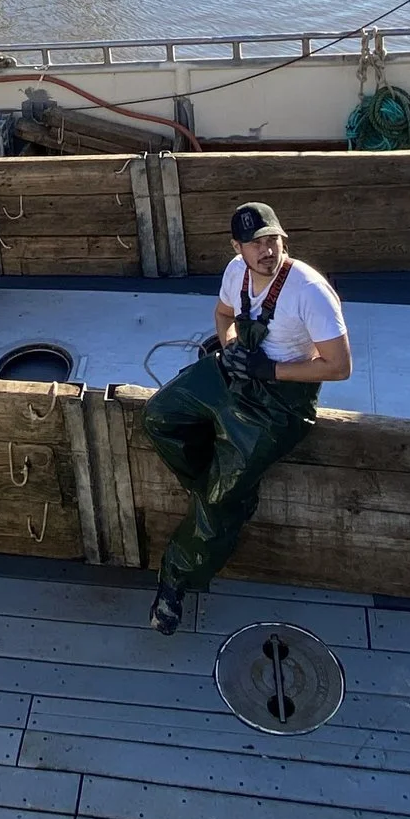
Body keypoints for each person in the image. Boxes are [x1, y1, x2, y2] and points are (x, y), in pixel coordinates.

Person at [141, 200, 351, 634]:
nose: (266, 251)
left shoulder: (309, 291)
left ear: (283, 239)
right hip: (234, 375)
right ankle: (223, 495)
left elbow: (339, 366)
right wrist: (232, 345)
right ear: (237, 247)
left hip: (279, 402)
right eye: (255, 244)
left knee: (219, 496)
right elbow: (223, 315)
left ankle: (175, 578)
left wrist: (270, 370)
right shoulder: (235, 273)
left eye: (272, 240)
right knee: (159, 416)